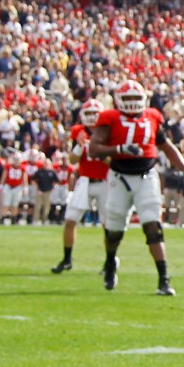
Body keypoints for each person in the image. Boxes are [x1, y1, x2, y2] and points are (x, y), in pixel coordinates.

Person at [86, 79, 184, 296]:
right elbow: (94, 150)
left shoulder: (152, 117)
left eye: (137, 98)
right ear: (118, 101)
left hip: (147, 176)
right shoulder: (110, 118)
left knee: (153, 226)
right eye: (129, 99)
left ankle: (163, 279)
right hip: (119, 178)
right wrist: (119, 148)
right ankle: (110, 263)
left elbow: (166, 146)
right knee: (114, 231)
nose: (133, 103)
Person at [51, 100, 109, 272]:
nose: (91, 118)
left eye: (94, 114)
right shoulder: (79, 132)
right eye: (88, 114)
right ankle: (67, 259)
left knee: (108, 225)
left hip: (105, 181)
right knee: (70, 220)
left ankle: (109, 261)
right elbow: (72, 160)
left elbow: (112, 162)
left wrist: (97, 151)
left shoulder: (108, 133)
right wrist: (79, 146)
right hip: (84, 180)